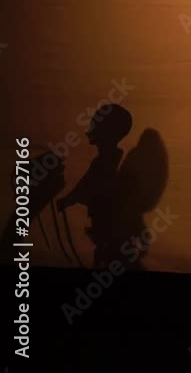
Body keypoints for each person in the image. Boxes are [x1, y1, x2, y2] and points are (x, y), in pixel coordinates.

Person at [58, 103, 133, 268]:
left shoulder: (105, 162)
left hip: (105, 216)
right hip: (104, 217)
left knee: (104, 252)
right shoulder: (108, 160)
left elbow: (89, 185)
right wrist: (70, 199)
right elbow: (87, 184)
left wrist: (69, 200)